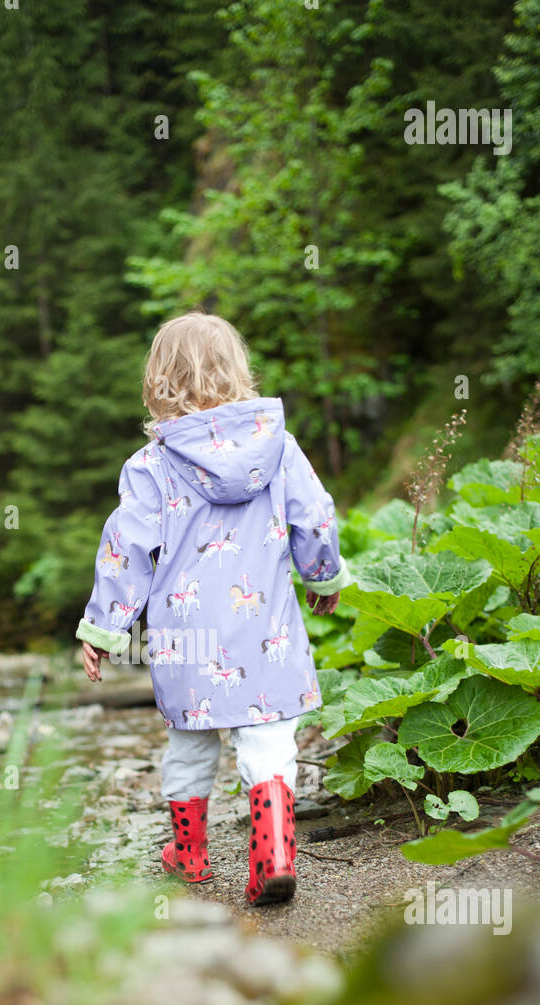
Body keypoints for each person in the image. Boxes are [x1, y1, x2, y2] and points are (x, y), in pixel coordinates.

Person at [76, 311, 352, 905]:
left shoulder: (150, 465)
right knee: (269, 739)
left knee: (190, 742)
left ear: (158, 380)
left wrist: (103, 629)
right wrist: (324, 574)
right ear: (239, 373)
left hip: (186, 643)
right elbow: (316, 516)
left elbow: (126, 551)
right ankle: (274, 851)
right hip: (267, 635)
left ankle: (190, 853)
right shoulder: (281, 447)